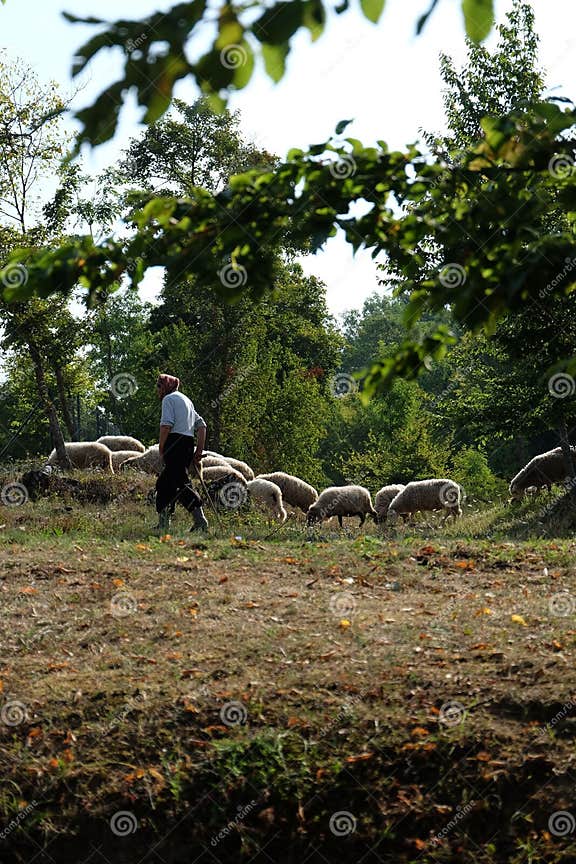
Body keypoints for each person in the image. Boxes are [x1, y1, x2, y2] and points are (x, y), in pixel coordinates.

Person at [154, 373, 209, 533]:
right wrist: (198, 451)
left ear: (166, 386)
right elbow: (202, 426)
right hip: (186, 444)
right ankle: (164, 523)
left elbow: (166, 426)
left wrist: (162, 447)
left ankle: (200, 521)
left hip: (174, 443)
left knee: (181, 484)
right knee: (165, 483)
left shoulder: (168, 399)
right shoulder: (187, 400)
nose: (158, 390)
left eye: (159, 386)